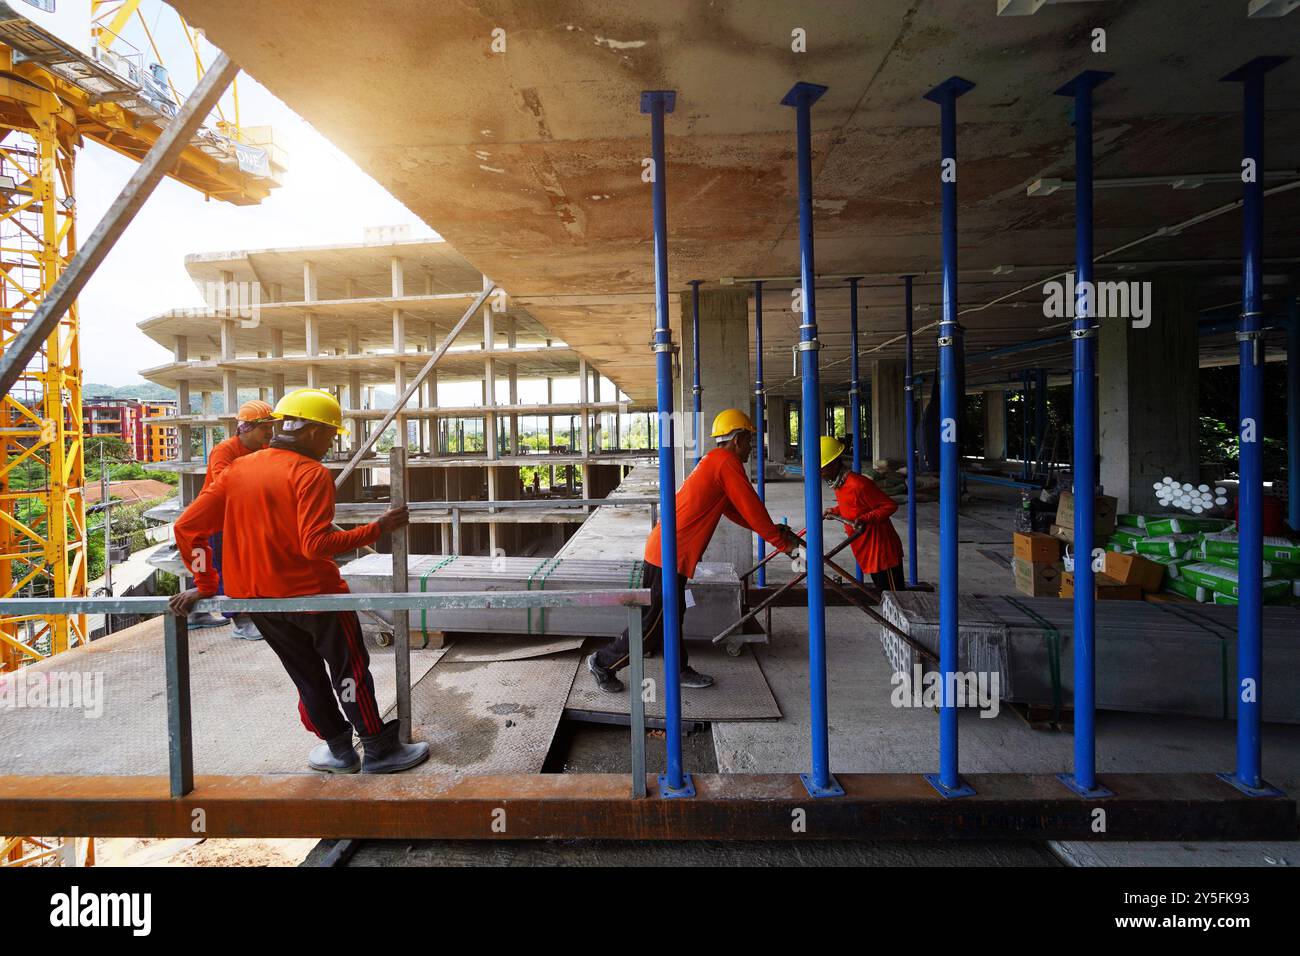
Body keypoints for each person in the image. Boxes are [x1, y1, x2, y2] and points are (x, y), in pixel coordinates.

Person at [169, 388, 427, 775]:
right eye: (330, 436)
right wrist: (376, 529)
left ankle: (340, 750)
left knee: (305, 674)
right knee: (348, 672)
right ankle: (377, 748)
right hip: (315, 597)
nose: (329, 445)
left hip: (263, 603)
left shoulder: (237, 469)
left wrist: (207, 583)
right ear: (311, 431)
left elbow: (187, 527)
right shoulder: (310, 474)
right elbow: (315, 546)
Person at [587, 408, 803, 693]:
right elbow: (752, 507)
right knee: (653, 627)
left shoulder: (713, 461)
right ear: (736, 440)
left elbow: (735, 511)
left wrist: (771, 531)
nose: (752, 447)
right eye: (749, 440)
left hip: (668, 551)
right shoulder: (726, 462)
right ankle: (603, 662)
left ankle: (679, 670)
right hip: (668, 554)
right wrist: (783, 543)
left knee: (672, 617)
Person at [190, 399, 276, 640]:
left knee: (225, 567)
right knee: (224, 566)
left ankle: (194, 614)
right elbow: (223, 485)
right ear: (246, 428)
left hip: (242, 517)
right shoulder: (225, 450)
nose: (269, 432)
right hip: (218, 518)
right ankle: (241, 621)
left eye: (271, 427)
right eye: (264, 427)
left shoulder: (265, 449)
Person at [819, 436, 905, 590]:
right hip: (865, 547)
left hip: (881, 551)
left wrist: (864, 519)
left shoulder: (858, 484)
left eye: (822, 468)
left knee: (895, 598)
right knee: (883, 594)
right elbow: (853, 506)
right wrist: (833, 511)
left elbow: (889, 505)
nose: (820, 473)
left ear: (835, 463)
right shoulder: (840, 485)